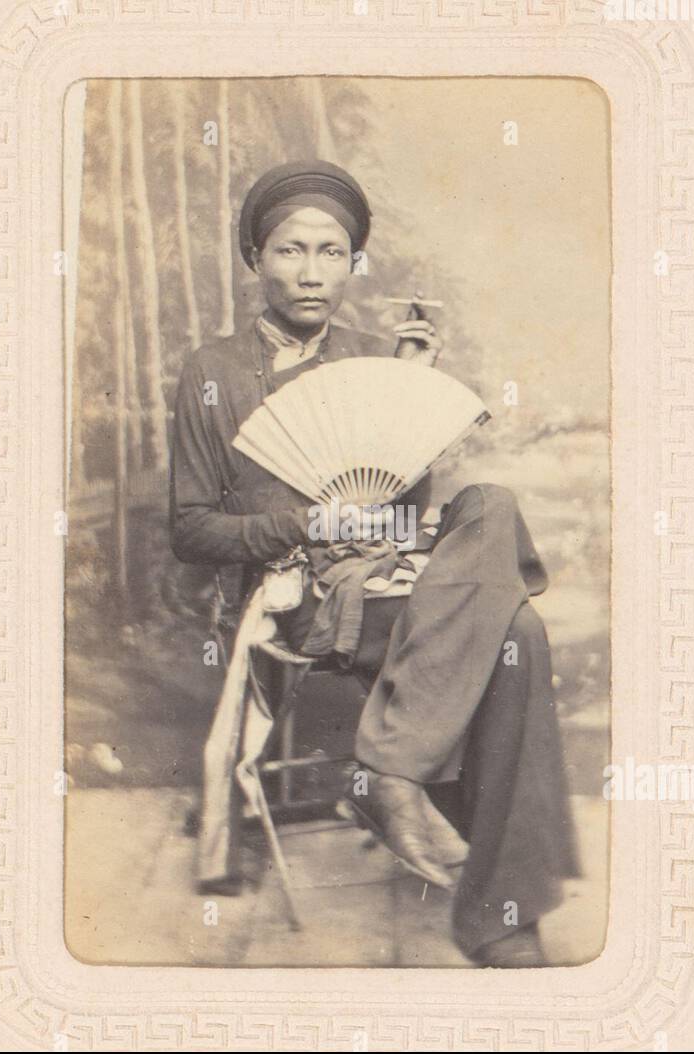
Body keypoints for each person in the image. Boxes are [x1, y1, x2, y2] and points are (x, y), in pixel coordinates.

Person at [168, 159, 580, 966]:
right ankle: (499, 910)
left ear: (353, 263)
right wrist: (302, 519)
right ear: (256, 258)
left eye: (332, 252)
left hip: (390, 570)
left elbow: (394, 496)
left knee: (490, 502)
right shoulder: (210, 373)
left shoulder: (369, 359)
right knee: (518, 638)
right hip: (303, 592)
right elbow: (190, 529)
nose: (312, 272)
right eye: (291, 250)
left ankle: (390, 764)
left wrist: (408, 389)